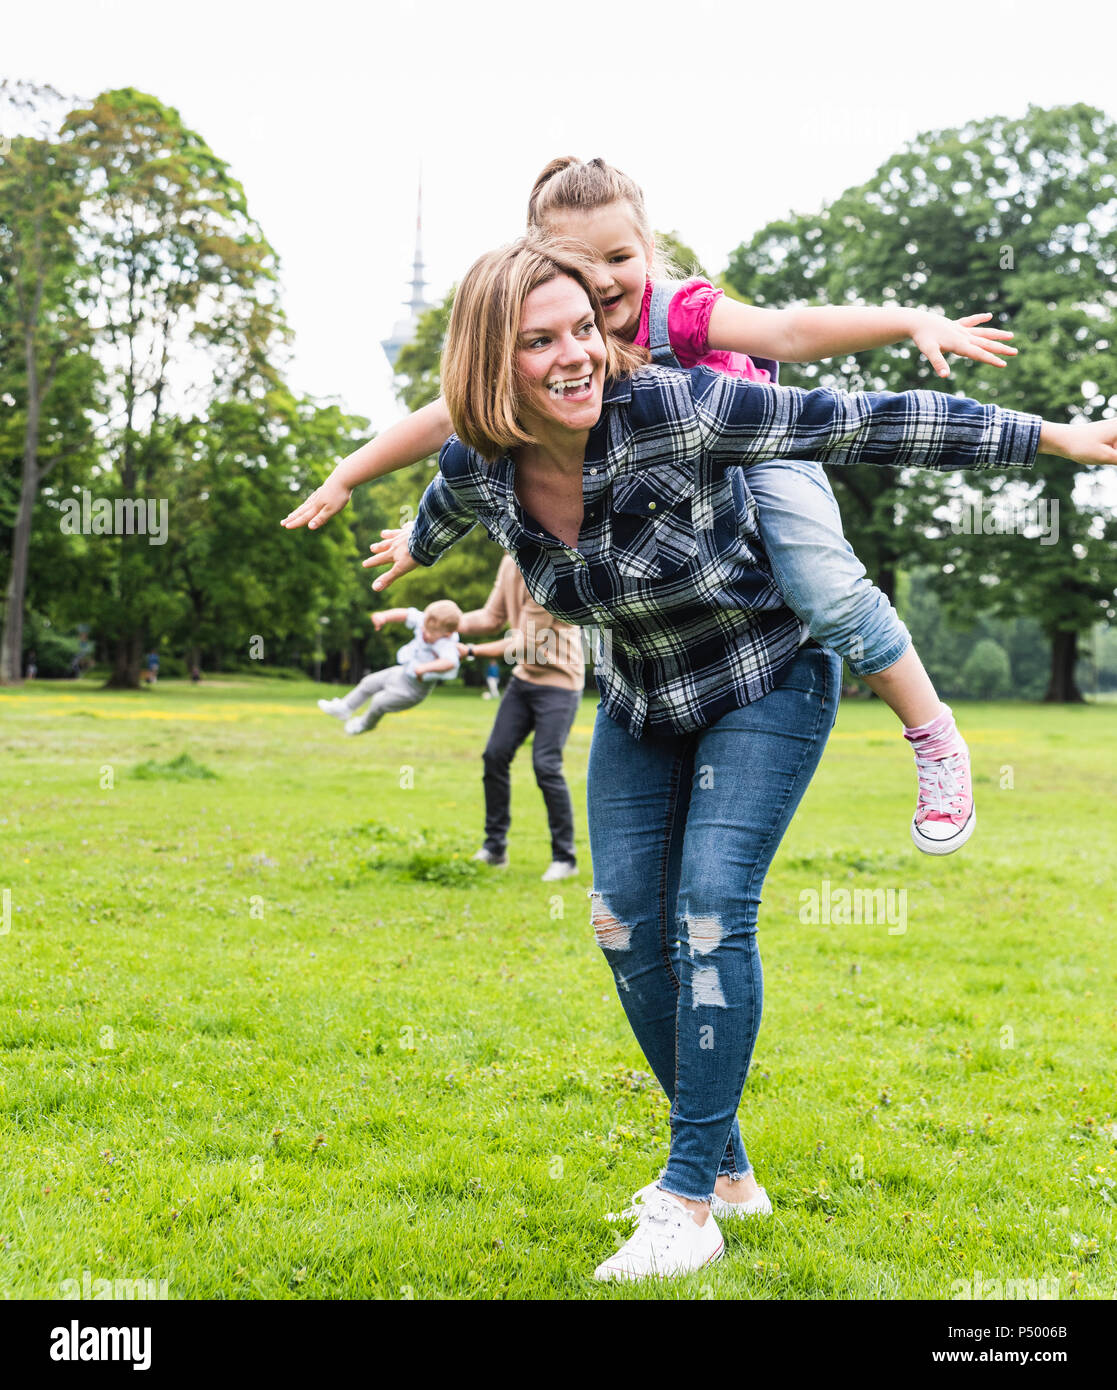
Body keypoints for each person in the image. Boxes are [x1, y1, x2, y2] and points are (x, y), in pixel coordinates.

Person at [363, 236, 1117, 1282]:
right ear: (491, 366)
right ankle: (727, 1175)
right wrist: (408, 542)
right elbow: (436, 512)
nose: (577, 355)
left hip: (765, 676)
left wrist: (1059, 439)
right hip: (639, 700)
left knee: (711, 908)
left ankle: (684, 1200)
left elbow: (862, 421)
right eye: (541, 342)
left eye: (583, 327)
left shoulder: (672, 409)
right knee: (625, 928)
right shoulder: (477, 473)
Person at [282, 158, 1020, 857]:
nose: (602, 282)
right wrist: (355, 479)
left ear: (648, 249)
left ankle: (931, 734)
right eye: (580, 262)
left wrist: (910, 320)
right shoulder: (554, 336)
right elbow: (452, 422)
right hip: (674, 494)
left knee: (821, 584)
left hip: (760, 447)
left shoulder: (677, 313)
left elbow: (790, 333)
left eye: (619, 258)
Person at [457, 553, 585, 881]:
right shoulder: (510, 560)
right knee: (495, 755)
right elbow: (490, 617)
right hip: (525, 680)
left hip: (559, 682)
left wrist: (470, 651)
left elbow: (525, 645)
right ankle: (494, 848)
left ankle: (565, 858)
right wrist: (442, 623)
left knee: (545, 764)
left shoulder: (548, 568)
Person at [317, 600, 461, 735]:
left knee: (379, 703)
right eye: (424, 628)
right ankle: (344, 707)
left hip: (414, 689)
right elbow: (406, 614)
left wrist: (425, 668)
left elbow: (450, 662)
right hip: (402, 672)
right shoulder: (426, 621)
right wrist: (384, 616)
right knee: (369, 682)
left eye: (431, 633)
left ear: (447, 634)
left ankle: (365, 724)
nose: (425, 633)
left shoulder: (446, 644)